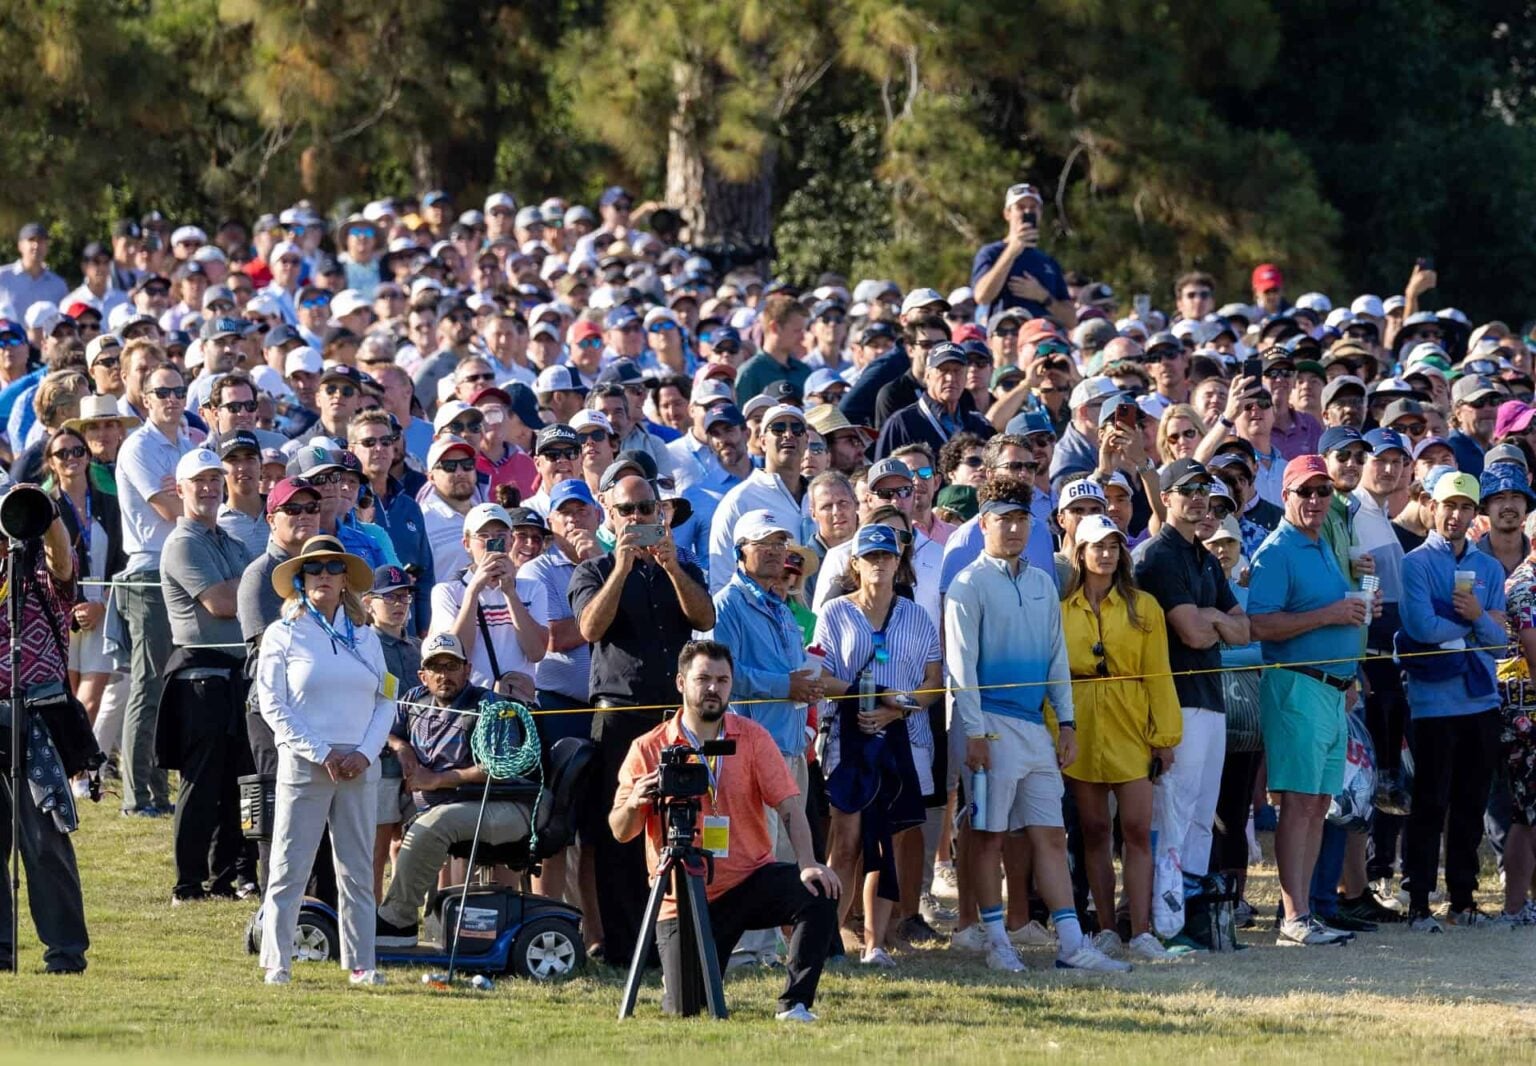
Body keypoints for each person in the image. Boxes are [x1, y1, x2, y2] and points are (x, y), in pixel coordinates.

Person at [944, 479, 1129, 972]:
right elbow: (960, 668)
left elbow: (1055, 658)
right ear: (983, 524)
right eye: (1003, 518)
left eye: (1022, 519)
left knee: (1050, 834)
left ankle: (1071, 944)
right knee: (988, 835)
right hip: (991, 727)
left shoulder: (1042, 582)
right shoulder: (967, 585)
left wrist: (1066, 722)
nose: (1013, 528)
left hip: (1036, 728)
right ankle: (996, 941)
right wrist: (975, 732)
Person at [611, 640, 840, 1021]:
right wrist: (636, 801)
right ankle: (684, 981)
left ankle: (794, 1004)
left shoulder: (751, 737)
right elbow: (620, 831)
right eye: (703, 679)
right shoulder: (649, 747)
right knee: (688, 1008)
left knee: (817, 889)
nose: (713, 688)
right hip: (680, 895)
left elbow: (789, 806)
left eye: (722, 679)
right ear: (681, 683)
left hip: (749, 880)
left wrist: (808, 861)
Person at [569, 470, 714, 964]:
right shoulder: (593, 570)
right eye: (626, 511)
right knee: (621, 832)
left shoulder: (682, 565)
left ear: (661, 512)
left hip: (674, 718)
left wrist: (672, 569)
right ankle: (624, 948)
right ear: (609, 516)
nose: (637, 519)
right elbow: (591, 627)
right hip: (618, 718)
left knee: (680, 825)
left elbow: (704, 619)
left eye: (645, 509)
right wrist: (622, 569)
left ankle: (675, 941)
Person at [1247, 455, 1378, 946]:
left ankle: (1304, 914)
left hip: (1334, 689)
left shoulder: (1323, 543)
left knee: (1319, 802)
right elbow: (1260, 625)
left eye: (1323, 492)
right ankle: (1293, 917)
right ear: (1287, 495)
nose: (1316, 501)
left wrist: (1357, 609)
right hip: (1297, 685)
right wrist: (1330, 614)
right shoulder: (1277, 550)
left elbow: (1340, 613)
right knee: (1298, 803)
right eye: (1306, 491)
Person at [256, 537, 395, 986]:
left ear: (344, 580)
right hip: (305, 762)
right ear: (300, 578)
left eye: (333, 568)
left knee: (358, 869)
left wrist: (362, 753)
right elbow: (272, 704)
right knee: (289, 866)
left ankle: (361, 963)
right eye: (314, 567)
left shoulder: (367, 636)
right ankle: (278, 961)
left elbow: (386, 701)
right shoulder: (283, 633)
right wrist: (321, 752)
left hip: (359, 765)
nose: (323, 575)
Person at [813, 524, 941, 967]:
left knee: (888, 840)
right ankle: (827, 938)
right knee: (846, 840)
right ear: (855, 564)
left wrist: (896, 707)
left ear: (898, 562)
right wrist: (863, 696)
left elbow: (933, 684)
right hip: (846, 738)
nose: (879, 563)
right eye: (871, 557)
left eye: (887, 556)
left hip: (903, 737)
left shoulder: (916, 615)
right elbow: (819, 676)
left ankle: (876, 943)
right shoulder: (833, 613)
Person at [1062, 514, 1182, 960]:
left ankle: (1142, 928)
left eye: (1113, 545)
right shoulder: (1062, 610)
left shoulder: (1143, 605)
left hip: (1131, 722)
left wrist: (1164, 735)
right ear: (1080, 552)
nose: (1107, 553)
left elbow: (1159, 673)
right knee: (1093, 830)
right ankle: (1107, 927)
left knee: (1135, 827)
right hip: (1083, 723)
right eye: (1098, 546)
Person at [1132, 459, 1247, 906]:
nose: (1198, 497)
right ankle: (1162, 910)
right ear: (1166, 498)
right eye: (1187, 489)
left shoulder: (1205, 558)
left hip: (1211, 699)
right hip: (1174, 700)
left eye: (1204, 488)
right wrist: (1216, 620)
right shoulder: (1160, 556)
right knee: (1173, 813)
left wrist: (1213, 616)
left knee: (1203, 813)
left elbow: (1243, 631)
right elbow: (1195, 633)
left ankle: (1189, 906)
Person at [1398, 472, 1507, 931]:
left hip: (1480, 700)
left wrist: (1475, 617)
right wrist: (1473, 629)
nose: (1456, 515)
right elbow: (1421, 628)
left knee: (1469, 804)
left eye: (1465, 508)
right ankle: (1419, 900)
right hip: (1431, 703)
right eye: (1449, 506)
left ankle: (1463, 899)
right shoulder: (1416, 563)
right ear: (1431, 506)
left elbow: (1501, 646)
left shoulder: (1489, 569)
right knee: (1429, 803)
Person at [375, 633, 534, 946]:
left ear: (467, 669)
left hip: (508, 806)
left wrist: (438, 780)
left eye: (452, 666)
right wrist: (401, 746)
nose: (443, 674)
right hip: (443, 807)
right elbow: (385, 731)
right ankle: (378, 912)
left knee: (434, 824)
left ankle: (397, 921)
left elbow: (499, 768)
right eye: (435, 668)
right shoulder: (413, 700)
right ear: (423, 675)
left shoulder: (490, 706)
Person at [158, 447, 256, 904]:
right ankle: (188, 883)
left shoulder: (229, 542)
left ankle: (224, 879)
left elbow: (248, 594)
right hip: (200, 674)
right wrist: (251, 582)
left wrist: (247, 584)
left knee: (236, 780)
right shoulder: (183, 543)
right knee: (200, 784)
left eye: (215, 479)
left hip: (234, 672)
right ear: (180, 490)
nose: (210, 487)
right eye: (200, 480)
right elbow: (222, 603)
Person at [0, 479, 90, 973]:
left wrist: (45, 509)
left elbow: (63, 561)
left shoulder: (39, 573)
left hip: (36, 713)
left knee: (44, 840)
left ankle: (65, 953)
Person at [114, 361, 194, 816]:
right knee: (147, 684)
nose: (171, 399)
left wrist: (186, 494)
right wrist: (187, 496)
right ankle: (137, 794)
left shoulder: (186, 443)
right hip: (148, 574)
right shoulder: (138, 446)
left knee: (170, 686)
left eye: (178, 391)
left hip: (180, 571)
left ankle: (159, 790)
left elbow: (200, 503)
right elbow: (171, 510)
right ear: (146, 399)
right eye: (162, 392)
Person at [429, 502, 548, 695]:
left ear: (510, 541)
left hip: (517, 702)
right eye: (483, 536)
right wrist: (474, 590)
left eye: (500, 536)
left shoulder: (533, 588)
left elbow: (536, 652)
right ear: (466, 543)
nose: (492, 542)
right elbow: (456, 656)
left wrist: (510, 592)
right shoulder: (447, 591)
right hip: (468, 706)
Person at [969, 183, 1073, 323]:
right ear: (1007, 214)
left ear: (1040, 213)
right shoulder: (991, 253)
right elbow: (982, 296)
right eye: (1020, 207)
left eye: (1033, 207)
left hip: (1042, 339)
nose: (1027, 212)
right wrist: (1011, 251)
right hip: (1007, 337)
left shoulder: (1048, 262)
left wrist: (1043, 296)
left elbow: (1071, 321)